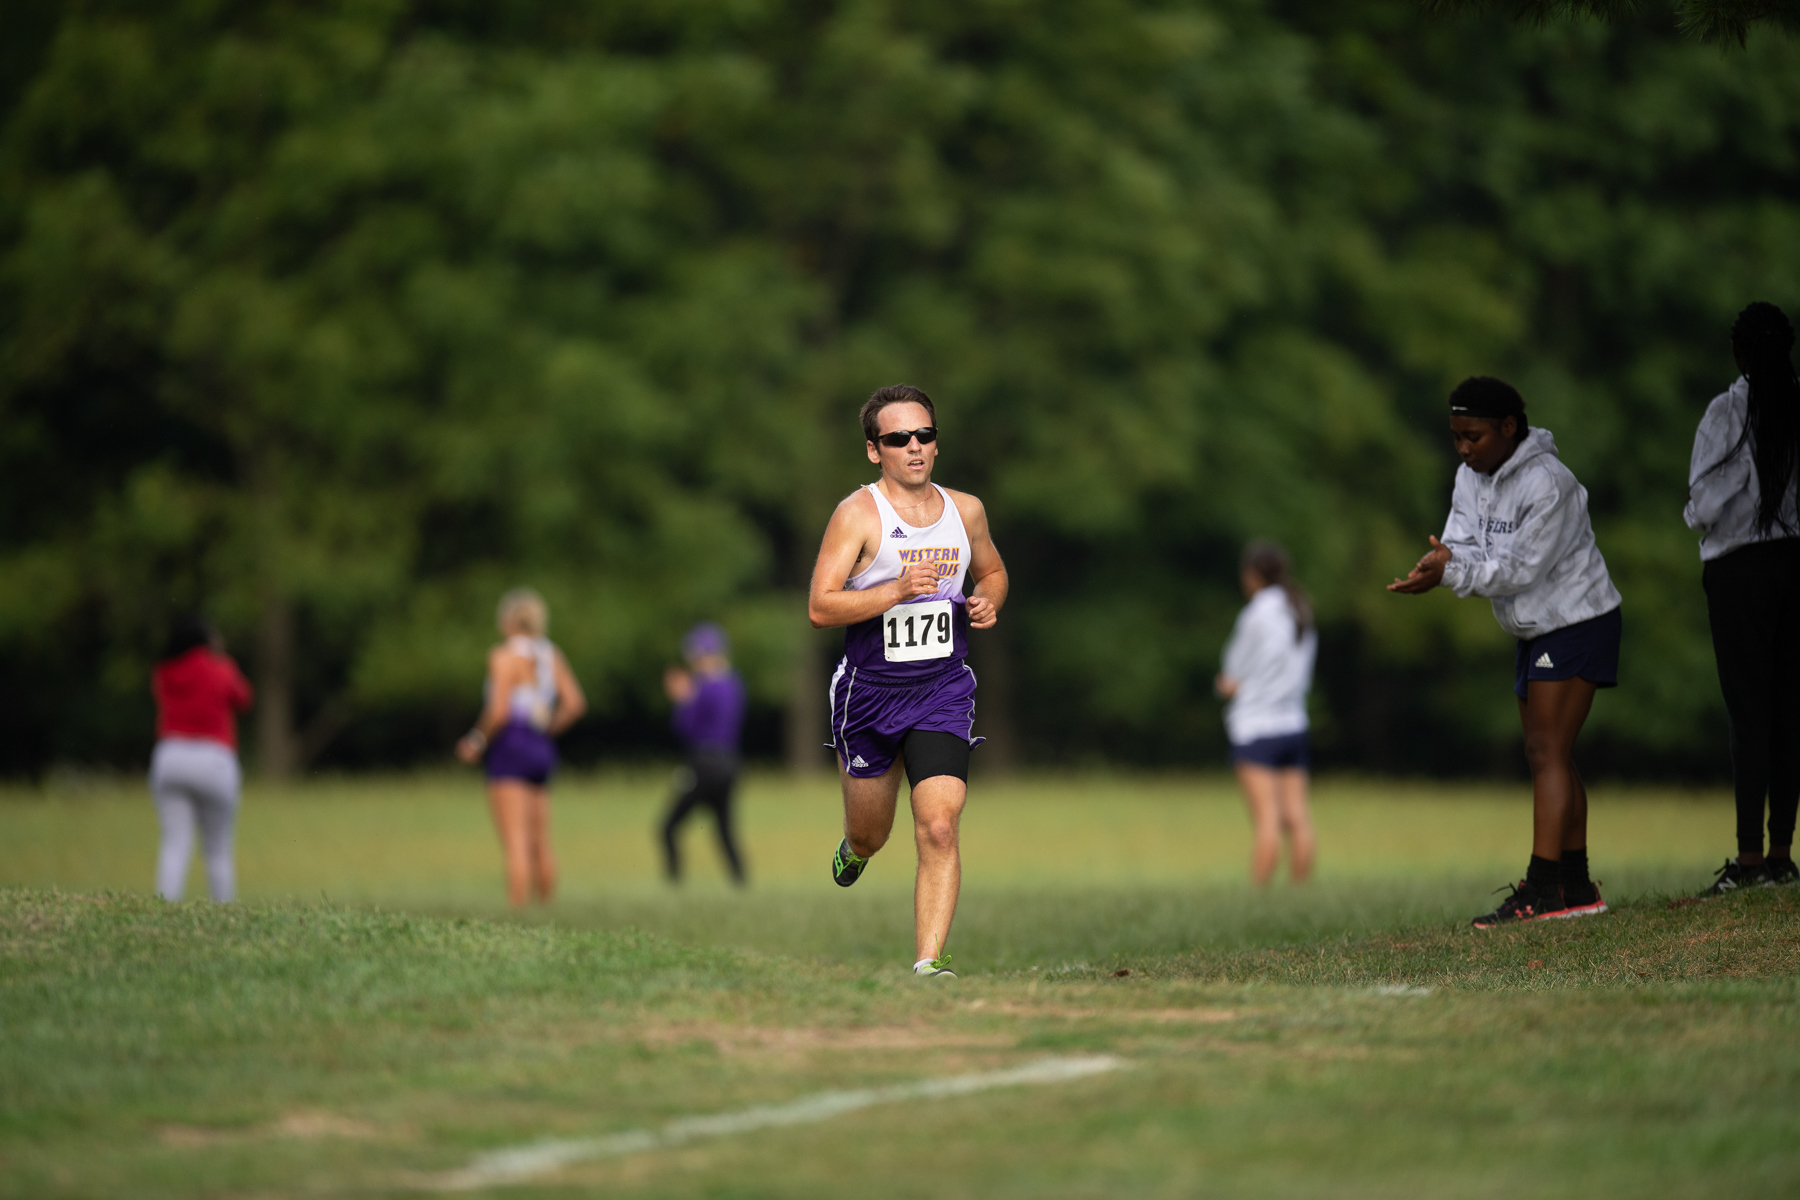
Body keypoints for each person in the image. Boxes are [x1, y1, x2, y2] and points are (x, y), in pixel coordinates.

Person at [1388, 376, 1622, 928]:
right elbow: (1462, 543)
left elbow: (1520, 568)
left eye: (1473, 436)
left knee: (1547, 753)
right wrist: (1441, 563)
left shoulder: (1549, 483)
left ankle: (1541, 890)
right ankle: (1576, 887)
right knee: (1548, 754)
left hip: (1579, 620)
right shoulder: (1471, 478)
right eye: (1456, 438)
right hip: (1537, 627)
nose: (1464, 448)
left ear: (1509, 428)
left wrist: (1452, 574)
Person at [807, 384, 1009, 979]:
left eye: (924, 435)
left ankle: (928, 963)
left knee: (940, 825)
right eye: (899, 438)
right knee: (872, 835)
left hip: (943, 687)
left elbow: (992, 570)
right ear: (875, 451)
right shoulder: (858, 515)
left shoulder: (965, 509)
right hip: (868, 693)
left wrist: (987, 600)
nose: (914, 447)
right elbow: (820, 606)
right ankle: (855, 849)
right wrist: (895, 589)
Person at [1684, 301, 1800, 895]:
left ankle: (1748, 860)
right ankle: (1782, 855)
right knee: (1789, 710)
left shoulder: (1728, 411)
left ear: (1739, 352)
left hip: (1740, 570)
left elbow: (1704, 504)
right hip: (1797, 567)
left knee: (1748, 714)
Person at [456, 588, 587, 908]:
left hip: (510, 743)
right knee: (540, 838)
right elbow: (575, 704)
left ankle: (518, 910)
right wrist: (546, 729)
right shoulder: (550, 655)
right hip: (539, 744)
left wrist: (476, 740)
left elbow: (498, 710)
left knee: (515, 838)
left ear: (509, 621)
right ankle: (545, 909)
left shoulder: (504, 656)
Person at [1215, 540, 1318, 886]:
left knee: (1267, 820)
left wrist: (1225, 686)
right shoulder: (1300, 610)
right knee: (1298, 818)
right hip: (1294, 723)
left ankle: (1259, 899)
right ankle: (1298, 895)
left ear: (1254, 575)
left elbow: (1232, 677)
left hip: (1256, 726)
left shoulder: (1256, 614)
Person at [149, 613, 254, 902]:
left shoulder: (164, 671)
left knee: (174, 844)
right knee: (218, 849)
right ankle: (223, 911)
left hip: (170, 756)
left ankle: (164, 908)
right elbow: (244, 699)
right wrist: (220, 658)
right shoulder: (220, 669)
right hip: (214, 759)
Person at [660, 622, 748, 884]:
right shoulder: (734, 684)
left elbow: (685, 728)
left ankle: (674, 882)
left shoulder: (701, 688)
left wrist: (682, 700)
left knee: (667, 827)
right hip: (730, 763)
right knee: (724, 830)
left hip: (704, 764)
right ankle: (741, 881)